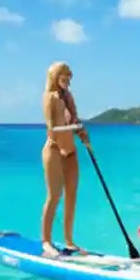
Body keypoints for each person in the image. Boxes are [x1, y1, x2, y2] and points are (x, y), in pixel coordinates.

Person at [41, 61, 90, 257]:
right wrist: (71, 129)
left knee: (71, 197)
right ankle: (46, 241)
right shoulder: (50, 97)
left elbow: (75, 121)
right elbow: (51, 128)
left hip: (70, 151)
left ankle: (69, 241)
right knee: (54, 196)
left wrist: (83, 134)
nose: (67, 82)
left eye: (69, 79)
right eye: (64, 78)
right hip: (53, 150)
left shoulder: (68, 97)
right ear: (55, 77)